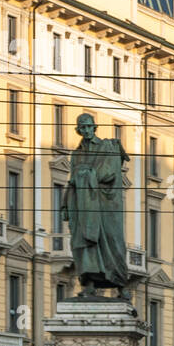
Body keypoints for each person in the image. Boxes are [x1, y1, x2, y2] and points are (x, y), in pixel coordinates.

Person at [61, 113, 132, 298]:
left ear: (94, 127)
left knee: (113, 242)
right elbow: (72, 180)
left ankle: (121, 285)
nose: (85, 130)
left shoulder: (107, 147)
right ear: (79, 130)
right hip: (83, 204)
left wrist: (85, 174)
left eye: (88, 127)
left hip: (106, 203)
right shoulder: (77, 154)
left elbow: (109, 173)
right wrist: (66, 203)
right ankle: (89, 284)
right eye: (82, 128)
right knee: (84, 244)